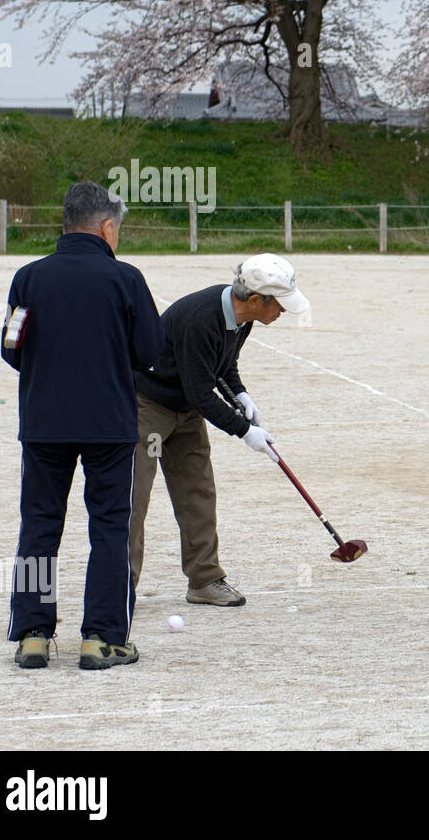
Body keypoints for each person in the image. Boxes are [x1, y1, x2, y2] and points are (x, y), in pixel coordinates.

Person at [1, 181, 165, 670]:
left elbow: (12, 347)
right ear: (106, 227)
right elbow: (150, 351)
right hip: (108, 424)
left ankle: (32, 634)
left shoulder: (28, 277)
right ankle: (103, 637)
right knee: (110, 528)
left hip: (44, 423)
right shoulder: (126, 279)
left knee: (39, 526)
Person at [129, 254, 309, 606]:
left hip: (186, 409)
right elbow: (200, 391)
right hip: (149, 406)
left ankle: (204, 579)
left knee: (198, 491)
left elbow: (223, 365)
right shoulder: (201, 318)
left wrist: (240, 393)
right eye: (280, 306)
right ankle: (119, 586)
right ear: (257, 300)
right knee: (135, 497)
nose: (282, 313)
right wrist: (244, 431)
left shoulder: (243, 319)